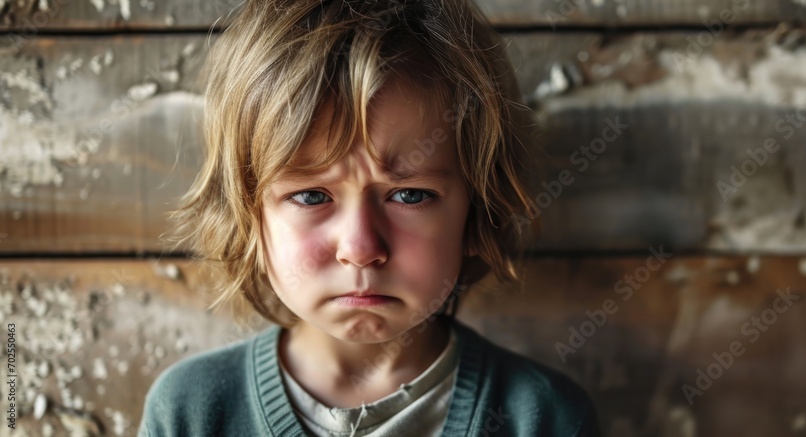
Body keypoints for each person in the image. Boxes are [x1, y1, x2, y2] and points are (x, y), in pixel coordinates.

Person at [137, 0, 598, 435]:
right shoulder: (190, 413)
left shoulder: (544, 419)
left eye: (410, 194)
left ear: (479, 213)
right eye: (312, 196)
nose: (360, 248)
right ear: (249, 218)